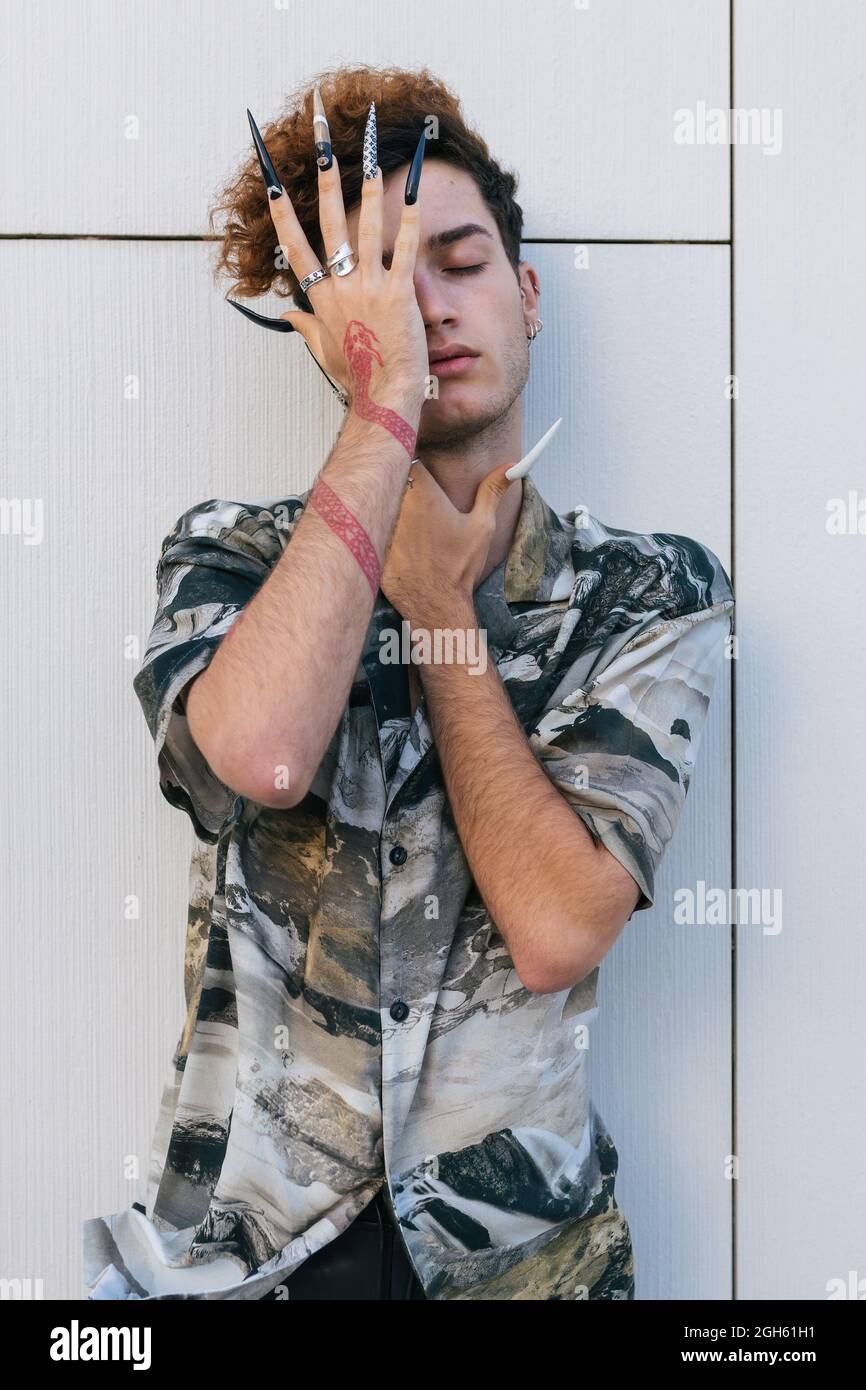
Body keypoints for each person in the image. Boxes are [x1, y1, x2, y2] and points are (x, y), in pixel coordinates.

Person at [83, 64, 734, 1301]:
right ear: (329, 328)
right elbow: (264, 755)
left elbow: (553, 929)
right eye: (382, 278)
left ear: (529, 294)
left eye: (460, 259)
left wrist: (439, 612)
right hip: (241, 1258)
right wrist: (387, 398)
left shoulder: (646, 591)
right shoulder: (227, 556)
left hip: (518, 1267)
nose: (429, 305)